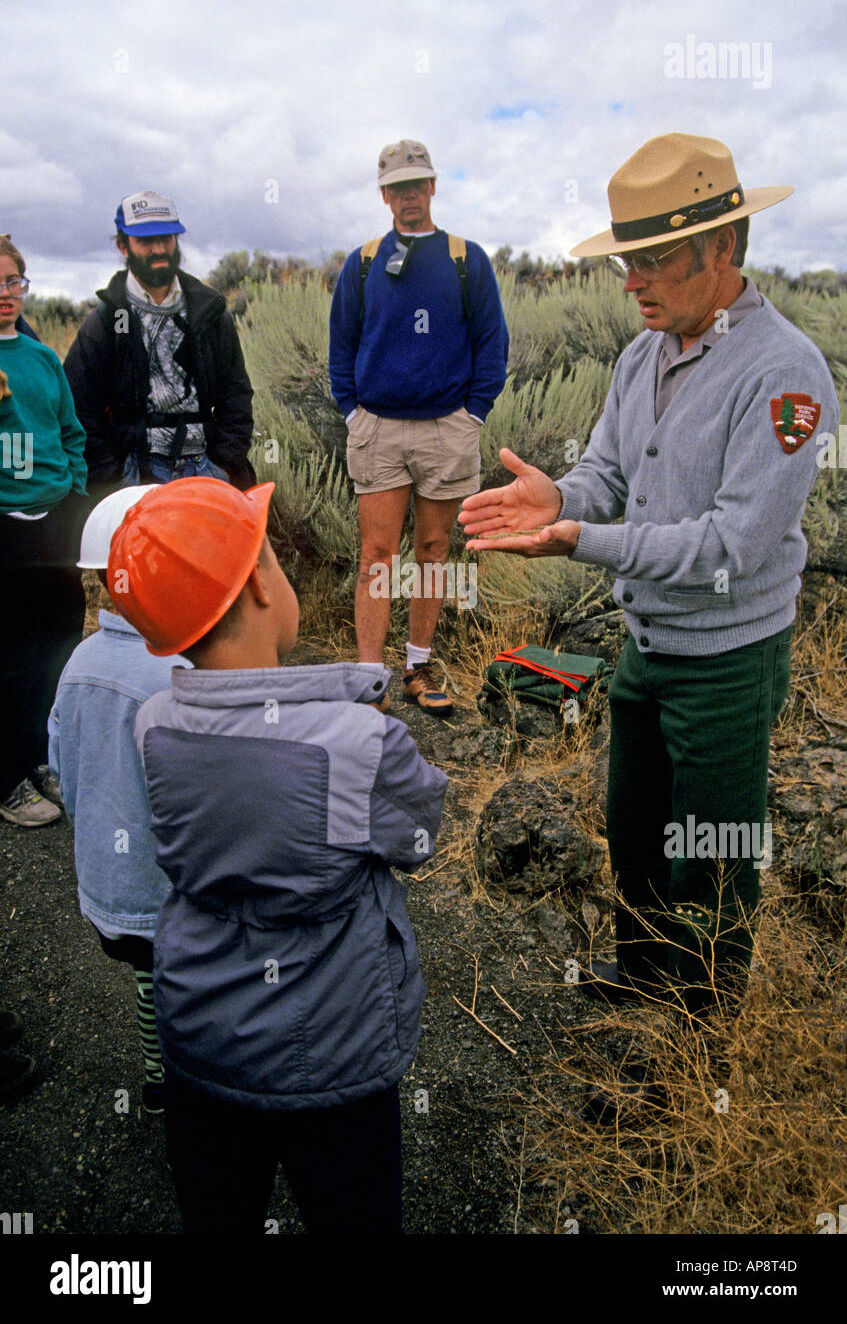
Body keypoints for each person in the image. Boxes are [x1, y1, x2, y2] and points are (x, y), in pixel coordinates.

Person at [462, 133, 839, 1043]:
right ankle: (640, 978)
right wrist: (560, 498)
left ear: (724, 247)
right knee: (633, 831)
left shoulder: (786, 372)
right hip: (648, 646)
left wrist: (583, 537)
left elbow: (736, 545)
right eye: (626, 258)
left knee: (710, 855)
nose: (632, 278)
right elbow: (604, 478)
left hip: (726, 658)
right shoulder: (640, 356)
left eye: (655, 258)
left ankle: (696, 1029)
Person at [107, 478, 447, 1233]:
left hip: (201, 1038)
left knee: (218, 1213)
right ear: (261, 583)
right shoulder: (361, 738)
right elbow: (418, 839)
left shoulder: (154, 722)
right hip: (337, 1051)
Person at [329, 140, 508, 715]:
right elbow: (341, 346)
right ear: (384, 195)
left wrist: (472, 414)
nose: (409, 197)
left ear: (433, 187)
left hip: (445, 430)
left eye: (418, 185)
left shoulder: (465, 258)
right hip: (378, 428)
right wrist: (353, 411)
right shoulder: (361, 263)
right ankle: (369, 675)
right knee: (376, 555)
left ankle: (418, 664)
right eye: (398, 188)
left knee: (433, 550)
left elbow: (492, 345)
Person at [48, 487, 188, 1114]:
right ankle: (195, 1084)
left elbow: (63, 767)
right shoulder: (178, 673)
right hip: (170, 896)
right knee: (187, 988)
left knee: (147, 982)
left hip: (110, 890)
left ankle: (158, 1084)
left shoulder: (77, 662)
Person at [64, 191, 255, 497]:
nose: (159, 249)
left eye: (167, 238)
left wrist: (226, 462)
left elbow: (237, 392)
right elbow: (79, 407)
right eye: (146, 240)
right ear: (123, 245)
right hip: (135, 474)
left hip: (206, 469)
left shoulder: (208, 311)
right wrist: (110, 477)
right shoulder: (107, 320)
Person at [0, 236, 89, 827]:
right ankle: (8, 778)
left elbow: (71, 433)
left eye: (12, 283)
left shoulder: (42, 358)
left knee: (56, 644)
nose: (5, 295)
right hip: (5, 528)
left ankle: (40, 756)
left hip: (54, 520)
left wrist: (76, 493)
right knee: (9, 653)